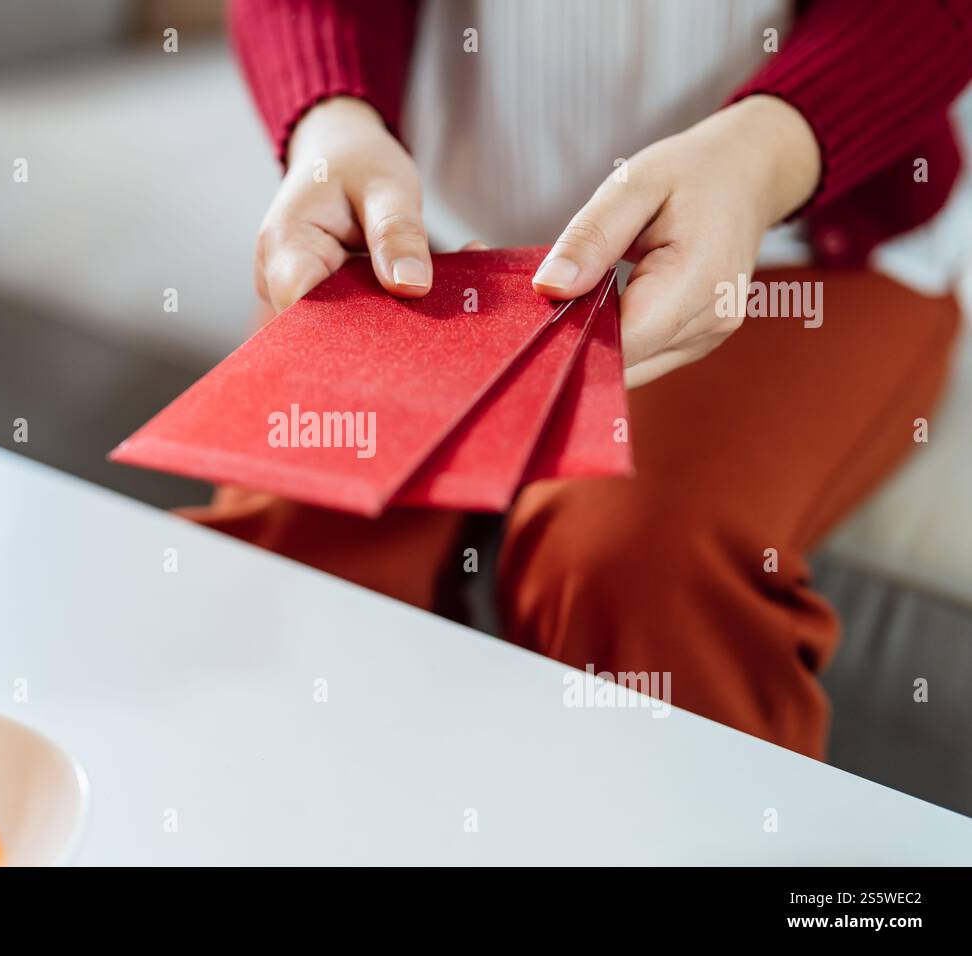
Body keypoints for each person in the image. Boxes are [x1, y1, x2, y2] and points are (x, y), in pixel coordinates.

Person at [181, 0, 972, 759]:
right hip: (431, 234)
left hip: (804, 246)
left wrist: (762, 158)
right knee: (286, 567)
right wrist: (333, 116)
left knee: (633, 569)